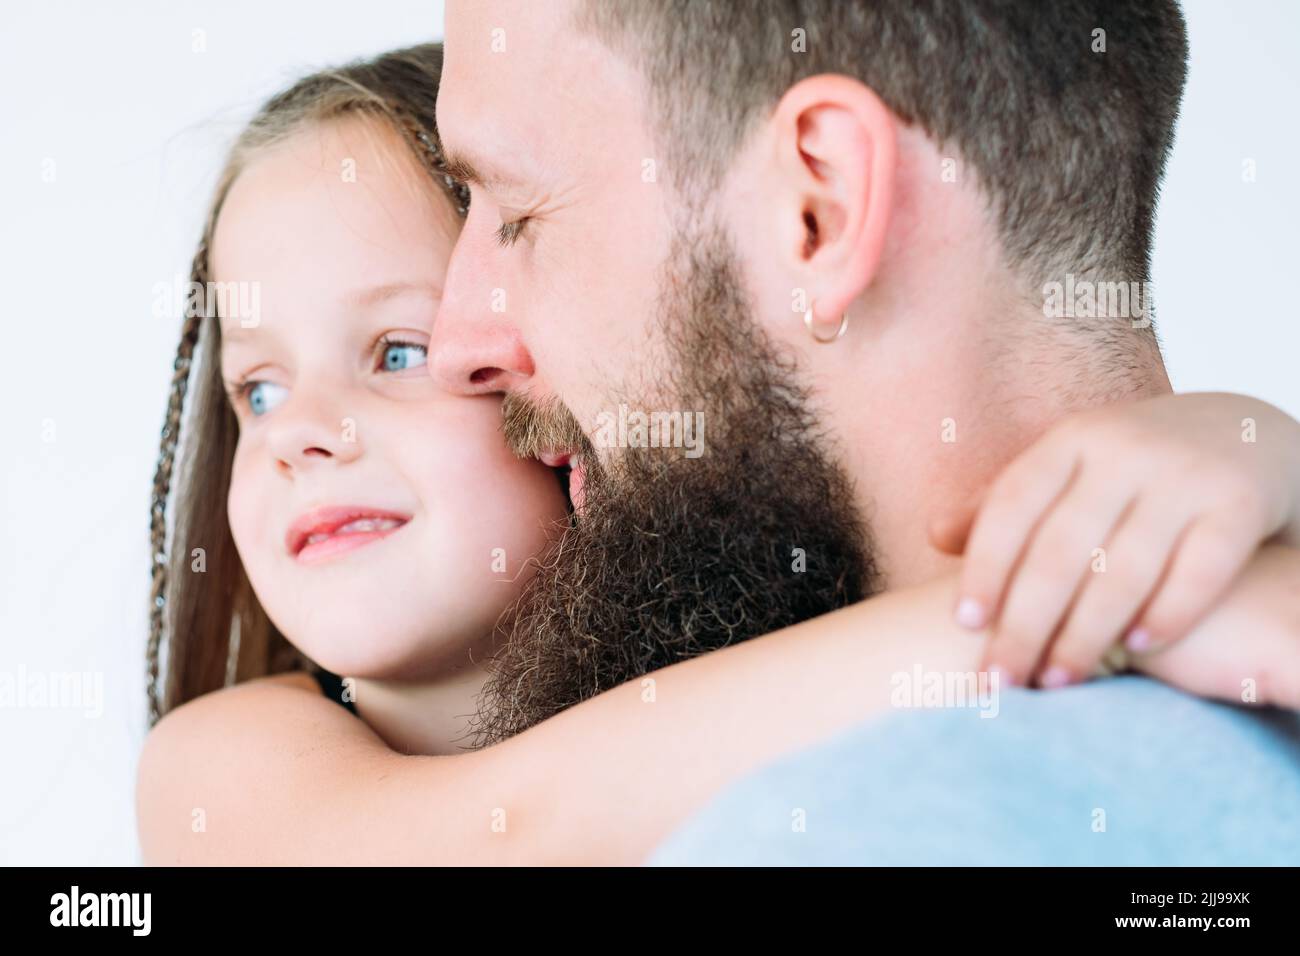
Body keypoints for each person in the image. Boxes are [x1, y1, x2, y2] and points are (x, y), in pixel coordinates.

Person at [137, 9, 1300, 867]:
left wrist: (1238, 464)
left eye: (523, 218)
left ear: (820, 208)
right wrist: (1132, 606)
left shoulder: (769, 710)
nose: (466, 344)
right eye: (257, 390)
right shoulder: (242, 757)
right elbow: (514, 824)